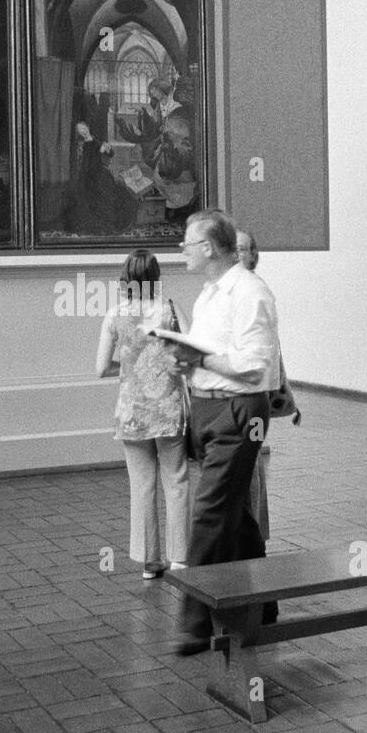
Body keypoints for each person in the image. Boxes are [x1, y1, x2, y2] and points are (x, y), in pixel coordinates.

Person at [165, 210, 279, 654]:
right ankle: (263, 604)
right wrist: (185, 357)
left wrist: (198, 361)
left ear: (209, 247)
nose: (182, 250)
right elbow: (212, 354)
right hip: (210, 409)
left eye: (187, 243)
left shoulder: (250, 293)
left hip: (240, 413)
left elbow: (253, 367)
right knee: (236, 514)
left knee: (209, 513)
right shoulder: (209, 295)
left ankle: (195, 623)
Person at [96, 250, 191, 579]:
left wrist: (132, 363)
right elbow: (189, 353)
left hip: (132, 414)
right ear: (156, 276)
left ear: (125, 278)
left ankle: (150, 564)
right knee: (176, 482)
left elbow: (100, 368)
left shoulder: (114, 315)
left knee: (142, 487)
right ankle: (180, 557)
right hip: (168, 409)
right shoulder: (170, 309)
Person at [236, 229, 273, 541]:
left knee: (251, 459)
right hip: (242, 395)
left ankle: (254, 535)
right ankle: (251, 532)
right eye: (233, 248)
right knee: (249, 461)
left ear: (252, 255)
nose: (238, 254)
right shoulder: (231, 291)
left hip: (254, 394)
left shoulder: (255, 291)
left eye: (244, 249)